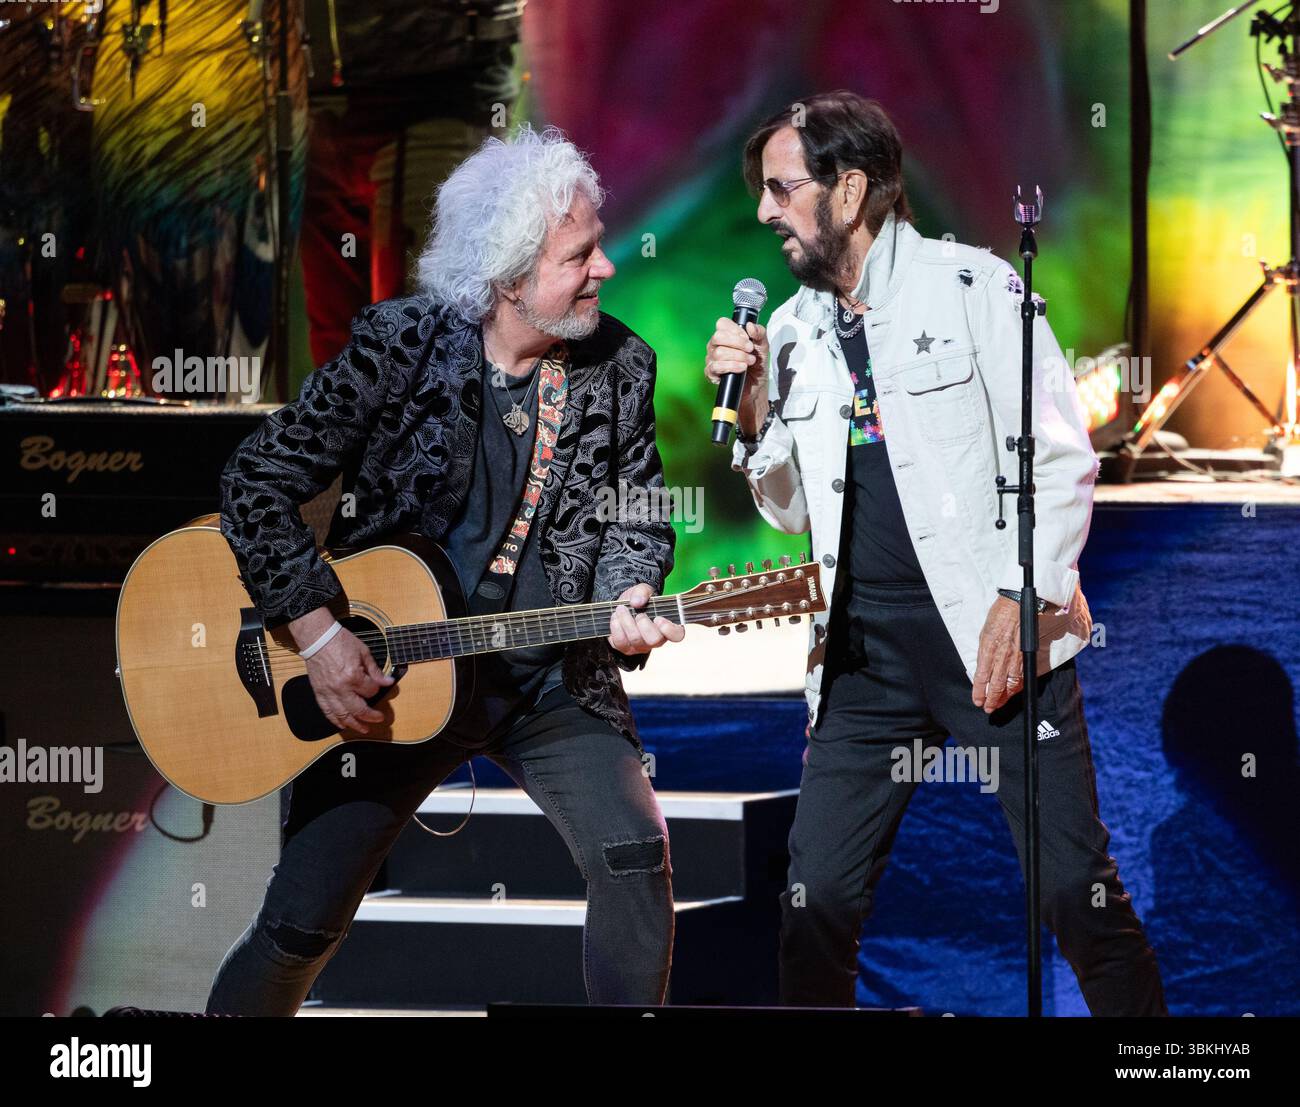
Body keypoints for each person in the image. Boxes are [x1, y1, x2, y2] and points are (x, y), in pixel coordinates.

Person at [706, 91, 1166, 1015]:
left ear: (850, 191)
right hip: (863, 657)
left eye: (782, 190)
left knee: (1076, 892)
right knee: (816, 903)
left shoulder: (975, 287)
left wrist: (1020, 593)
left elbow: (1063, 454)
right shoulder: (791, 330)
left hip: (989, 634)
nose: (764, 212)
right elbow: (794, 516)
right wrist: (751, 411)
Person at [207, 124, 682, 1015]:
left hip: (548, 682)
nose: (606, 268)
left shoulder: (621, 367)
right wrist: (317, 632)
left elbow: (641, 514)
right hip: (392, 682)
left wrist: (634, 589)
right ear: (507, 278)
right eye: (579, 254)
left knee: (635, 855)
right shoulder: (402, 347)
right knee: (301, 922)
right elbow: (255, 481)